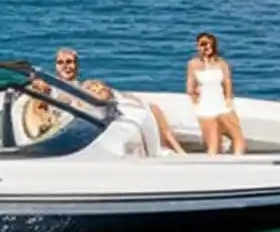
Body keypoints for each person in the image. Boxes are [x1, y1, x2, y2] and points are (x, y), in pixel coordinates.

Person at [55, 47, 185, 155]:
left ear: (77, 65)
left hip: (106, 106)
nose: (65, 66)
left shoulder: (85, 83)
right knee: (144, 113)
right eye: (61, 62)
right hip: (91, 115)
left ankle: (175, 147)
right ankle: (167, 148)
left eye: (69, 62)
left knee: (152, 108)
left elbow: (105, 95)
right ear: (56, 66)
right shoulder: (54, 86)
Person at [81, 79, 186, 156]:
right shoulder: (84, 106)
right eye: (93, 89)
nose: (98, 90)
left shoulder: (126, 102)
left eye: (100, 87)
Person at [186, 32, 246, 155]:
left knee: (237, 136)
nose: (205, 48)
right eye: (201, 45)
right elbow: (190, 86)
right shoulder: (193, 64)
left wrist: (228, 98)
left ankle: (238, 159)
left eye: (208, 44)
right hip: (205, 106)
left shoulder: (222, 64)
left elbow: (227, 82)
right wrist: (194, 97)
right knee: (213, 145)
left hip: (221, 104)